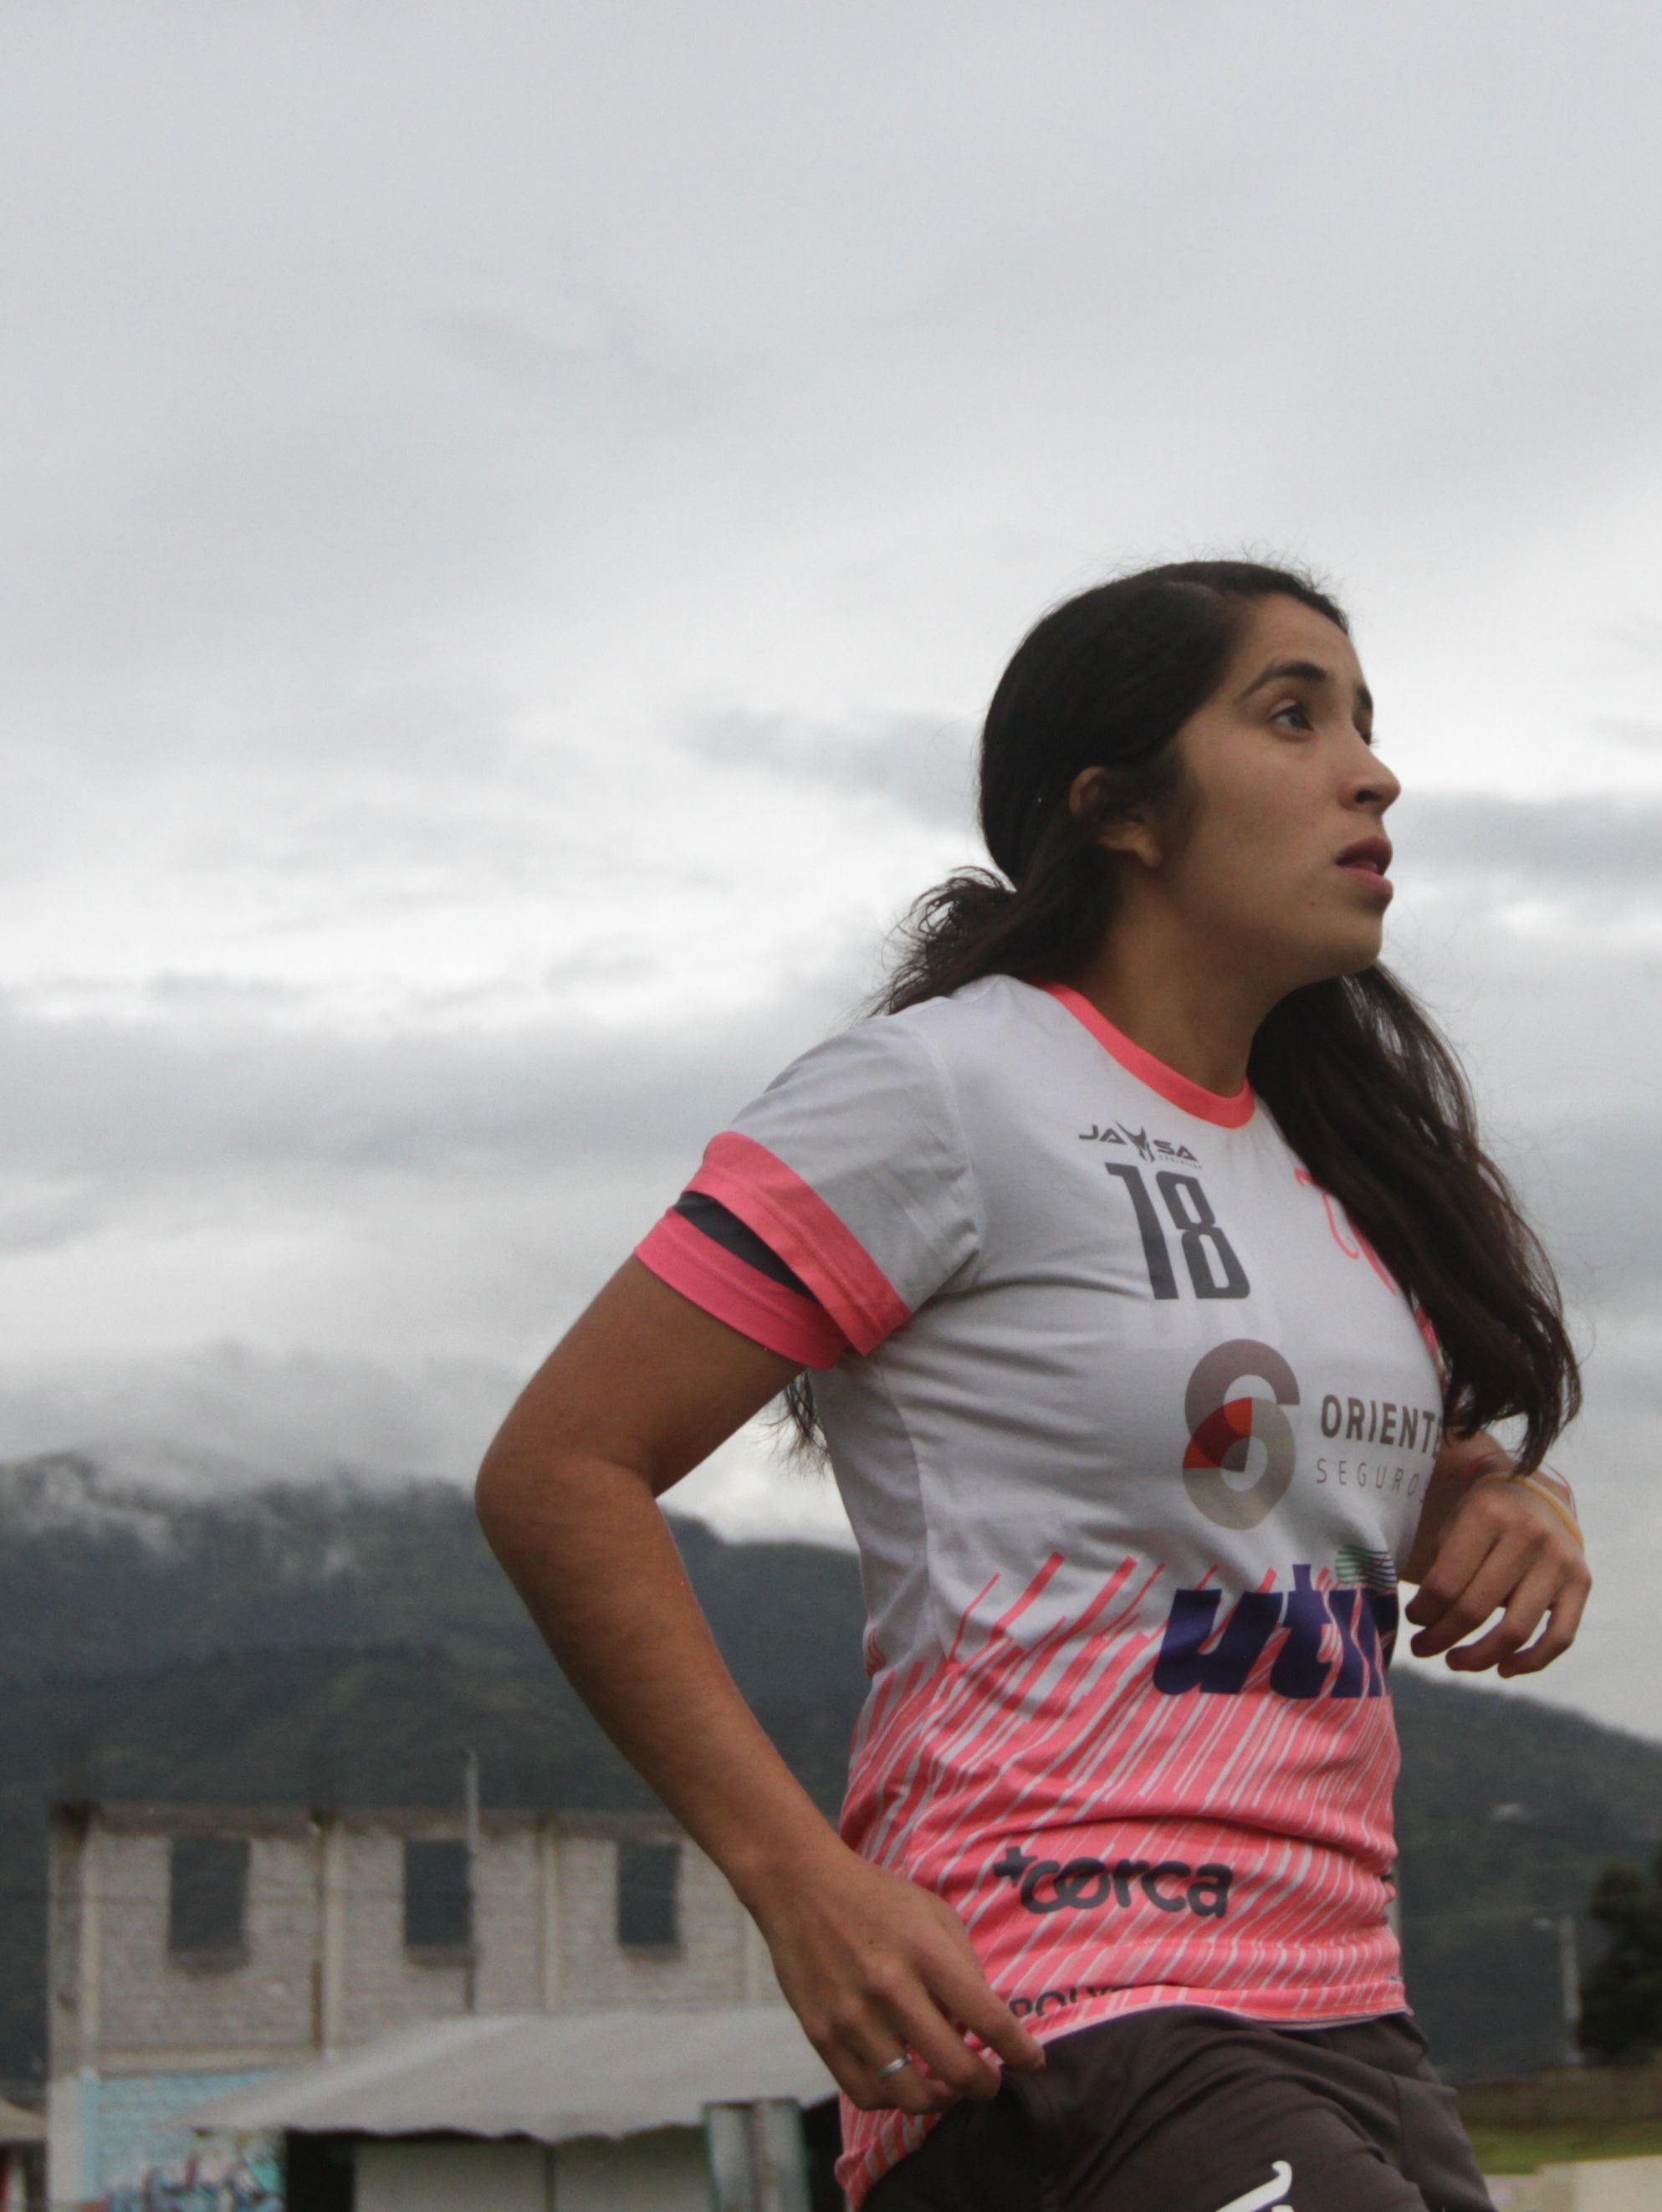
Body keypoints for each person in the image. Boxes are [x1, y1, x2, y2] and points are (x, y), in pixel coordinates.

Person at [477, 561, 1588, 2212]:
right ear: (1118, 809)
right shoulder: (940, 1089)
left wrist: (1505, 1494)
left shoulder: (1337, 1168)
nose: (1371, 769)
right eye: (1293, 714)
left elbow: (1339, 1451)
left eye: (1364, 720)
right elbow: (561, 1465)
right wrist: (800, 1882)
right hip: (1052, 2007)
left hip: (1346, 2008)